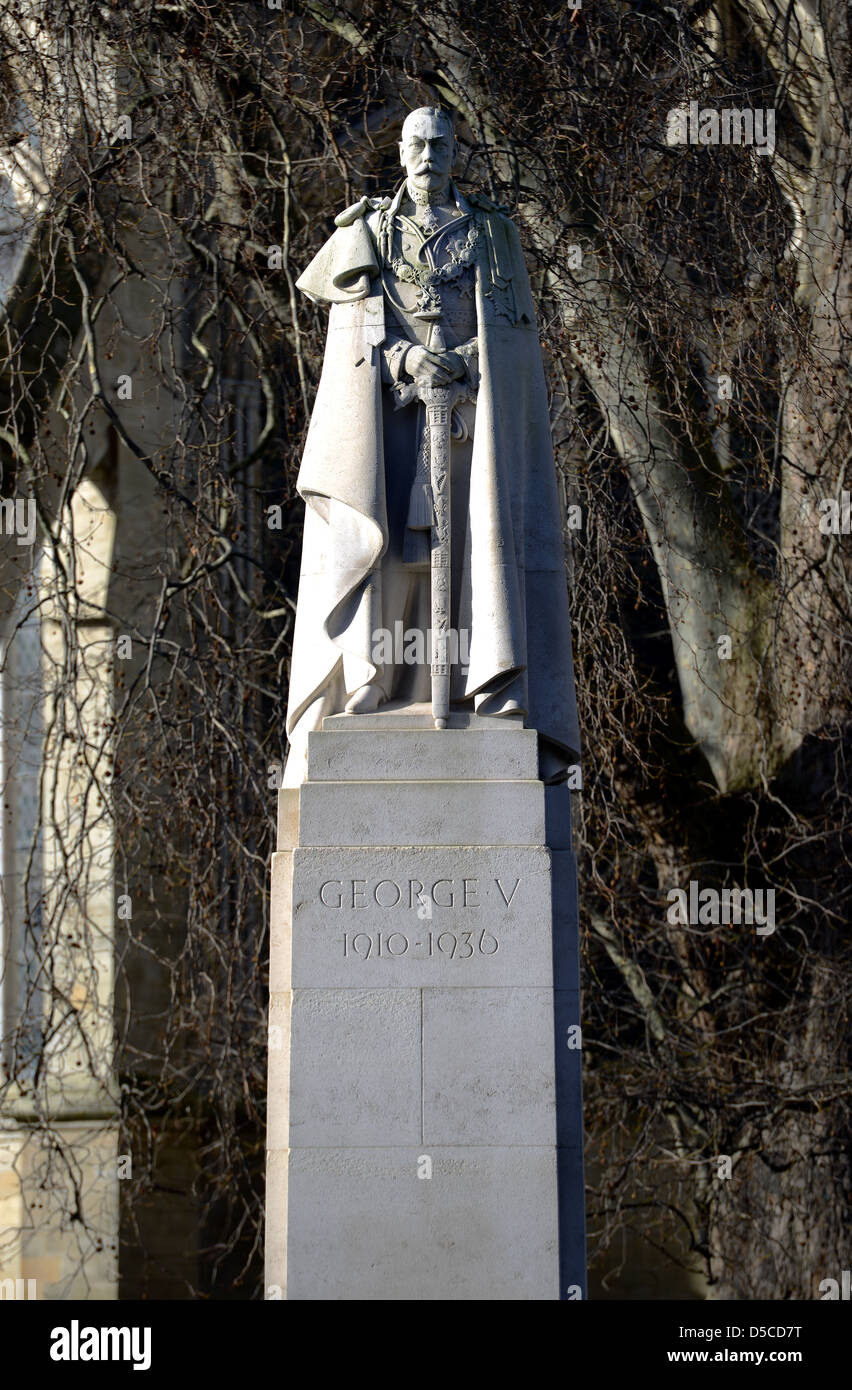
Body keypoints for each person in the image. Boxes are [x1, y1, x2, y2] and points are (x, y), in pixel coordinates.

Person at [283, 106, 579, 785]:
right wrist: (406, 362)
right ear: (399, 152)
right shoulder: (368, 232)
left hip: (471, 419)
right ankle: (372, 676)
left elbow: (512, 338)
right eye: (415, 143)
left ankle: (481, 683)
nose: (427, 155)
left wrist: (466, 359)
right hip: (388, 416)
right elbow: (357, 329)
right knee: (386, 540)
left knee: (472, 547)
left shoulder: (493, 234)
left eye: (440, 144)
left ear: (455, 152)